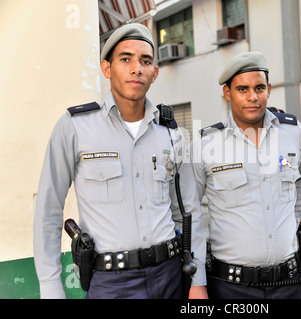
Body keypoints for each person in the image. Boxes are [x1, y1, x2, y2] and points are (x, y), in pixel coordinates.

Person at [33, 23, 207, 299]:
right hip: (110, 283)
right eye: (125, 59)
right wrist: (51, 287)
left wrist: (198, 281)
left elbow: (188, 213)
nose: (137, 68)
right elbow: (48, 210)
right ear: (106, 68)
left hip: (170, 276)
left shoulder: (171, 134)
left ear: (154, 73)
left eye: (145, 61)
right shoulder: (74, 127)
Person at [191, 51, 301, 298]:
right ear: (228, 93)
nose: (253, 97)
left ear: (269, 89)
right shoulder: (206, 144)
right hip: (231, 287)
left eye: (259, 88)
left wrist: (292, 216)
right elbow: (190, 213)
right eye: (242, 89)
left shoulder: (293, 132)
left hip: (289, 283)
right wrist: (197, 281)